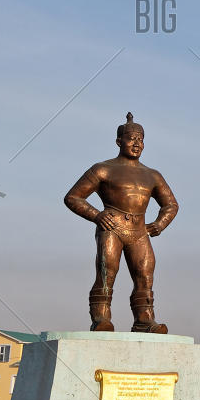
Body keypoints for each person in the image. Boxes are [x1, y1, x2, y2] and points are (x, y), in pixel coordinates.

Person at [64, 112, 179, 333]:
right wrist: (96, 215)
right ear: (119, 141)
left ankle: (144, 320)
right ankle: (101, 317)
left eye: (141, 139)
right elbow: (73, 197)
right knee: (108, 271)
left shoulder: (153, 175)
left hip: (139, 230)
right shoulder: (103, 169)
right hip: (112, 227)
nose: (137, 143)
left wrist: (159, 224)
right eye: (131, 138)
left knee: (144, 274)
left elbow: (171, 204)